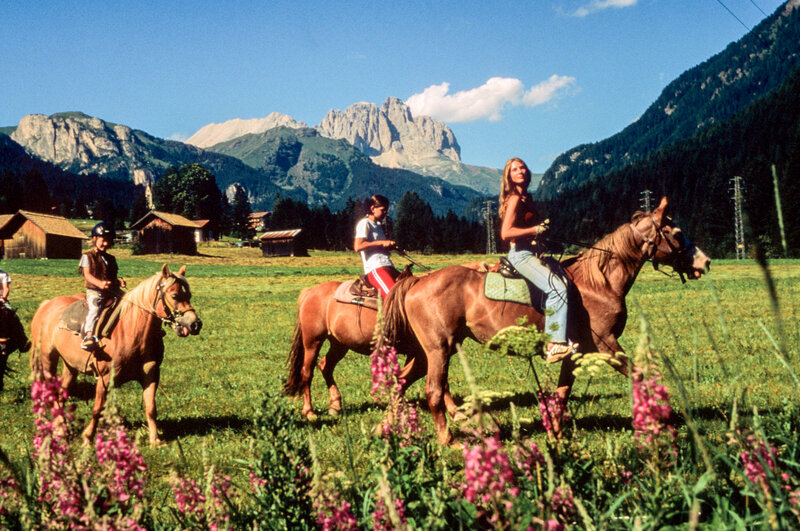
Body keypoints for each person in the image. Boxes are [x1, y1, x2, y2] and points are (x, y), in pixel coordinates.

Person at [499, 157, 578, 363]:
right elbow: (505, 233)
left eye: (522, 167)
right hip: (520, 255)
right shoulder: (515, 199)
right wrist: (534, 229)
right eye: (514, 169)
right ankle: (554, 345)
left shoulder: (526, 198)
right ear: (509, 176)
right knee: (557, 288)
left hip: (532, 252)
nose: (520, 171)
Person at [79, 222, 126, 350]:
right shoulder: (87, 256)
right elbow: (87, 275)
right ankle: (89, 336)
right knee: (95, 308)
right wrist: (99, 283)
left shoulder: (111, 258)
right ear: (94, 239)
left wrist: (118, 281)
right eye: (103, 240)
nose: (105, 244)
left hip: (112, 291)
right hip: (95, 291)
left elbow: (111, 276)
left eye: (108, 241)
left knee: (130, 301)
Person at [354, 194, 400, 299]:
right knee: (393, 297)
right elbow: (358, 246)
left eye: (386, 210)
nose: (385, 213)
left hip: (388, 265)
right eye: (383, 210)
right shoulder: (365, 223)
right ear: (372, 208)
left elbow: (377, 246)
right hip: (375, 268)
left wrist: (388, 246)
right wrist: (381, 243)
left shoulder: (378, 225)